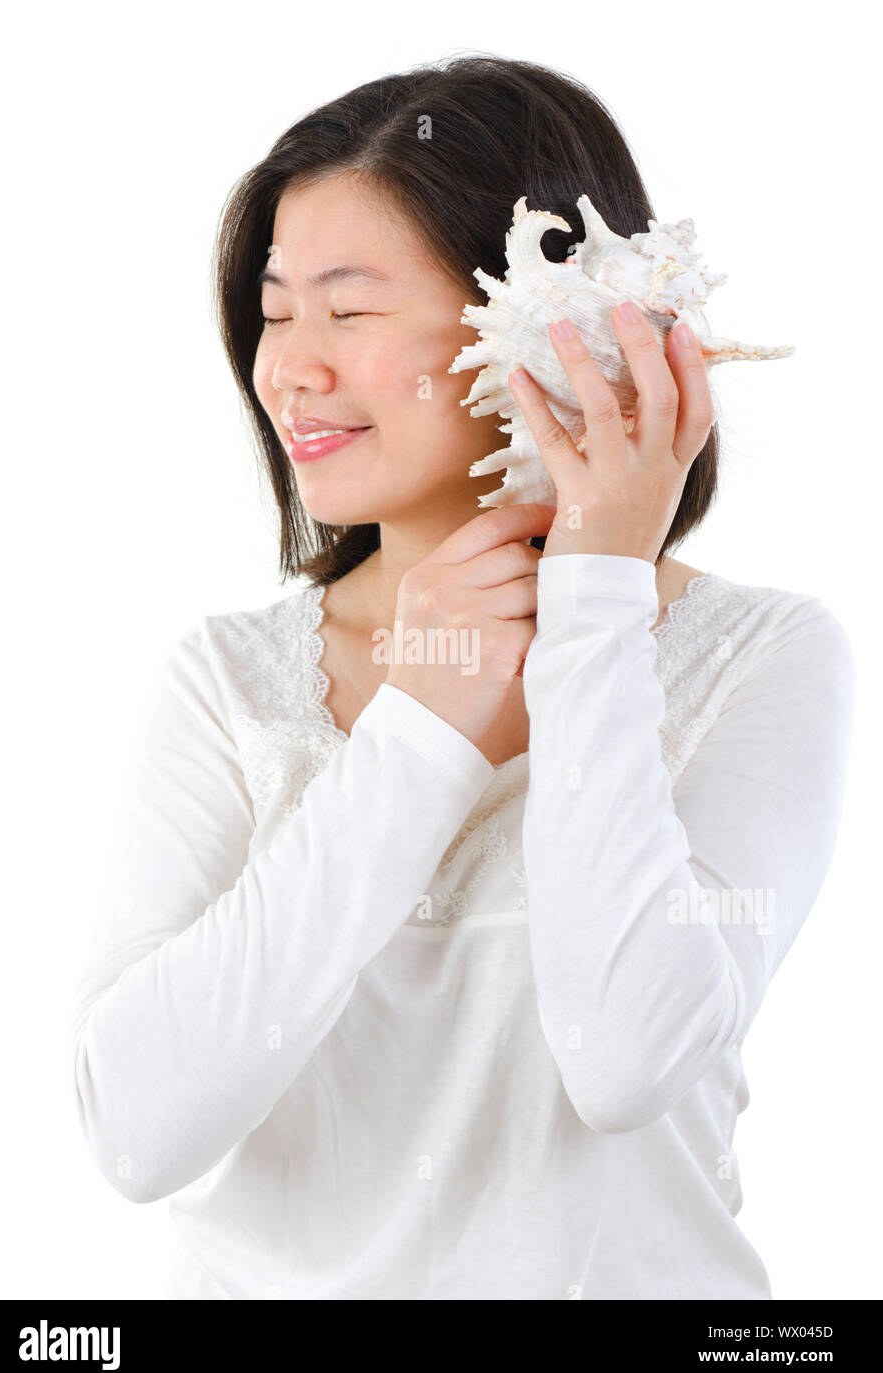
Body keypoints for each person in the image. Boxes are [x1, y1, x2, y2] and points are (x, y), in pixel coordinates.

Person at [67, 56, 855, 1300]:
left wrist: (594, 596)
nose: (290, 369)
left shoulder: (759, 658)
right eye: (274, 311)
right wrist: (417, 732)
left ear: (545, 321)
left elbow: (629, 1057)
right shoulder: (228, 682)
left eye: (349, 309)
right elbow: (135, 1130)